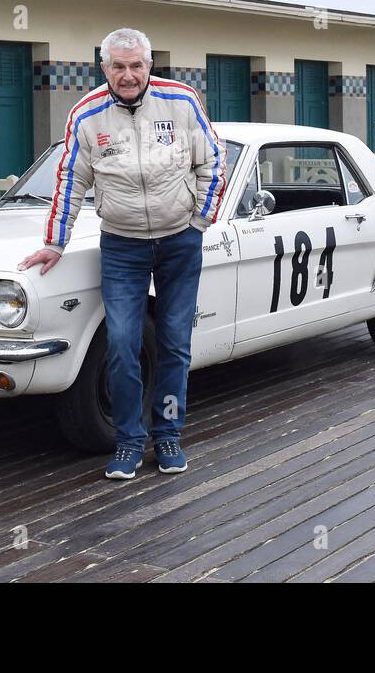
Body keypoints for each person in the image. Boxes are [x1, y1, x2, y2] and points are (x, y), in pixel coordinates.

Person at [19, 27, 226, 479]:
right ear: (104, 68)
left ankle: (168, 434)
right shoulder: (87, 115)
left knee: (174, 342)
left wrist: (200, 221)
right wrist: (55, 242)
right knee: (122, 344)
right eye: (118, 66)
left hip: (179, 242)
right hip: (122, 246)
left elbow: (213, 160)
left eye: (136, 65)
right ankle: (129, 442)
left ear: (150, 66)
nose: (128, 75)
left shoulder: (182, 101)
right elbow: (70, 182)